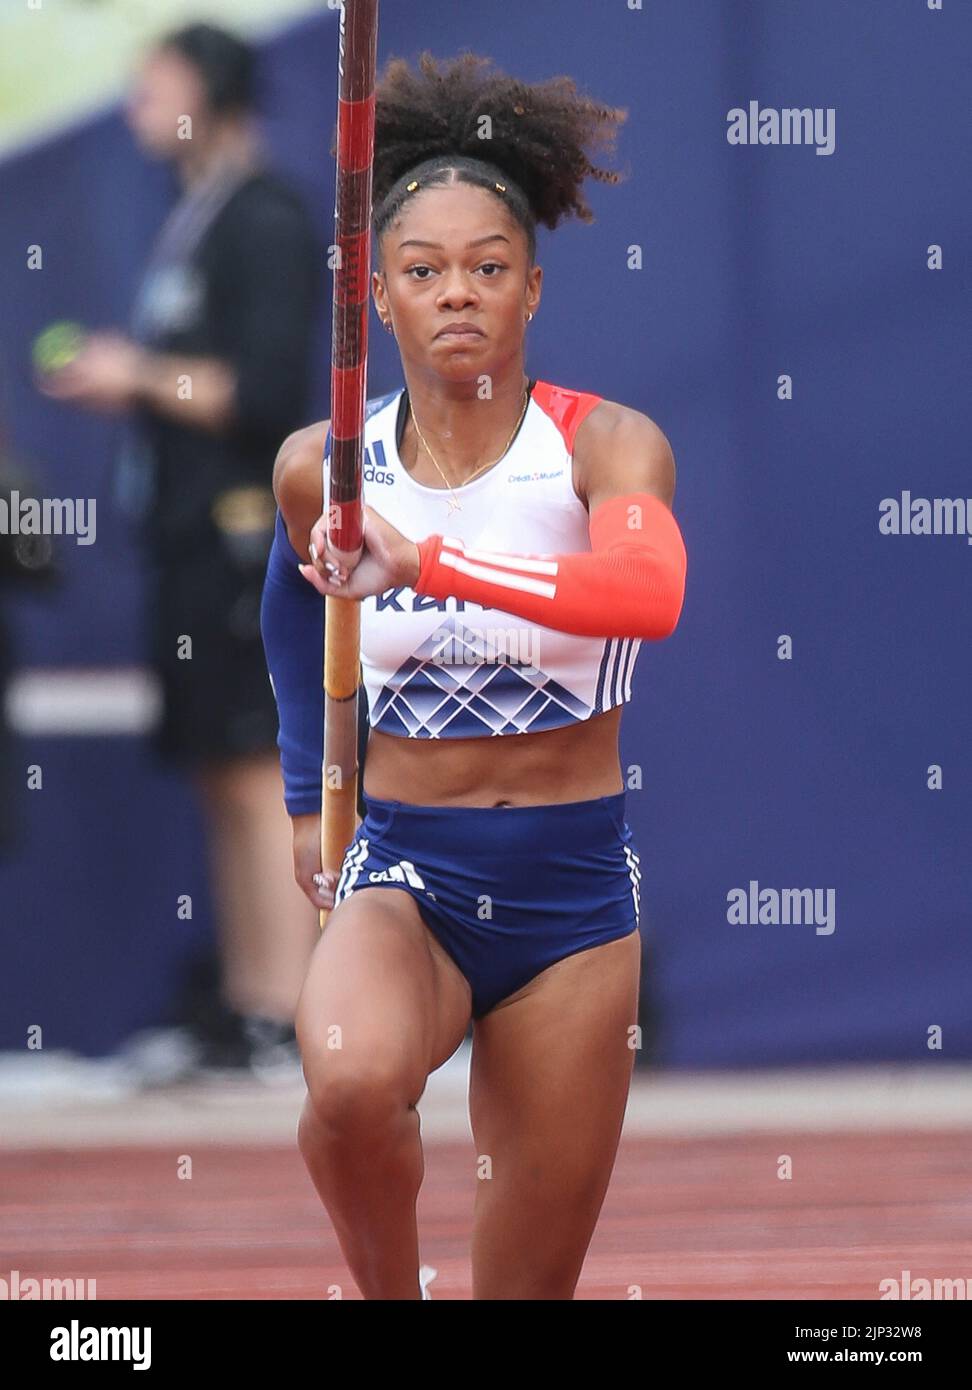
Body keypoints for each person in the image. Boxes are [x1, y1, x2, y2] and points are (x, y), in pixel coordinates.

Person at [261, 52, 687, 1298]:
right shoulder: (324, 469)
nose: (459, 294)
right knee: (344, 1084)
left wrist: (430, 560)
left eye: (489, 268)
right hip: (406, 870)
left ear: (533, 289)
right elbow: (295, 607)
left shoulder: (605, 445)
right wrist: (307, 791)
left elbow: (648, 596)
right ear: (377, 295)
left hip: (570, 899)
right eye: (426, 270)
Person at [38, 24, 326, 1078]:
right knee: (220, 770)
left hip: (244, 538)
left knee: (261, 773)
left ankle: (294, 1014)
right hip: (186, 542)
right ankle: (251, 1003)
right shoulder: (191, 221)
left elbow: (262, 394)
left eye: (155, 85)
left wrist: (137, 373)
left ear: (211, 92)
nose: (134, 107)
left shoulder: (266, 219)